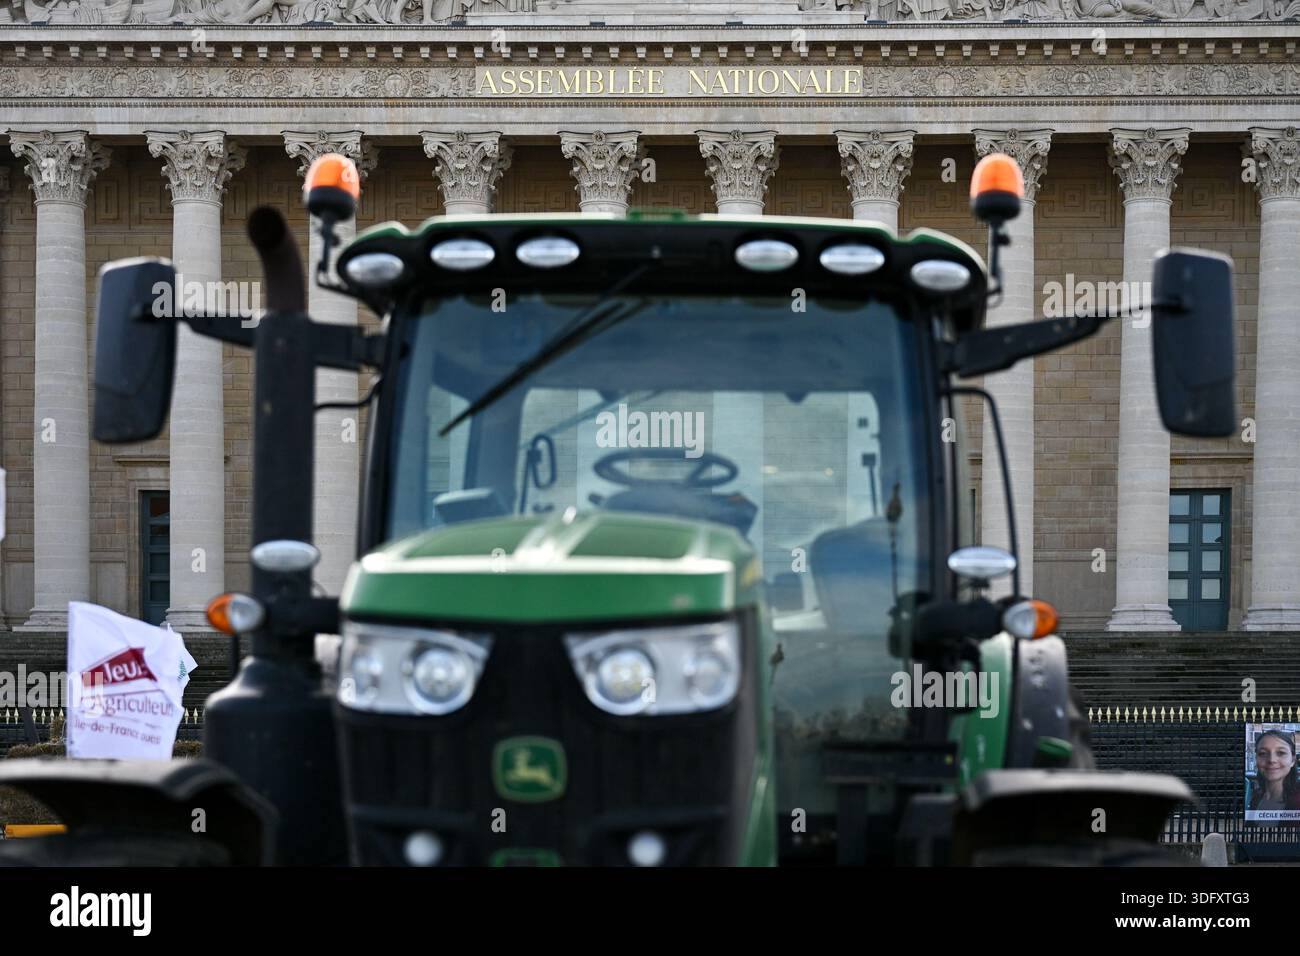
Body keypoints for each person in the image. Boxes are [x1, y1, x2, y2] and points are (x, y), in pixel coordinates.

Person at [1249, 729, 1300, 817]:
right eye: (1263, 753)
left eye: (1281, 753)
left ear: (1292, 760)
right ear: (1256, 759)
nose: (1272, 760)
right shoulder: (1255, 798)